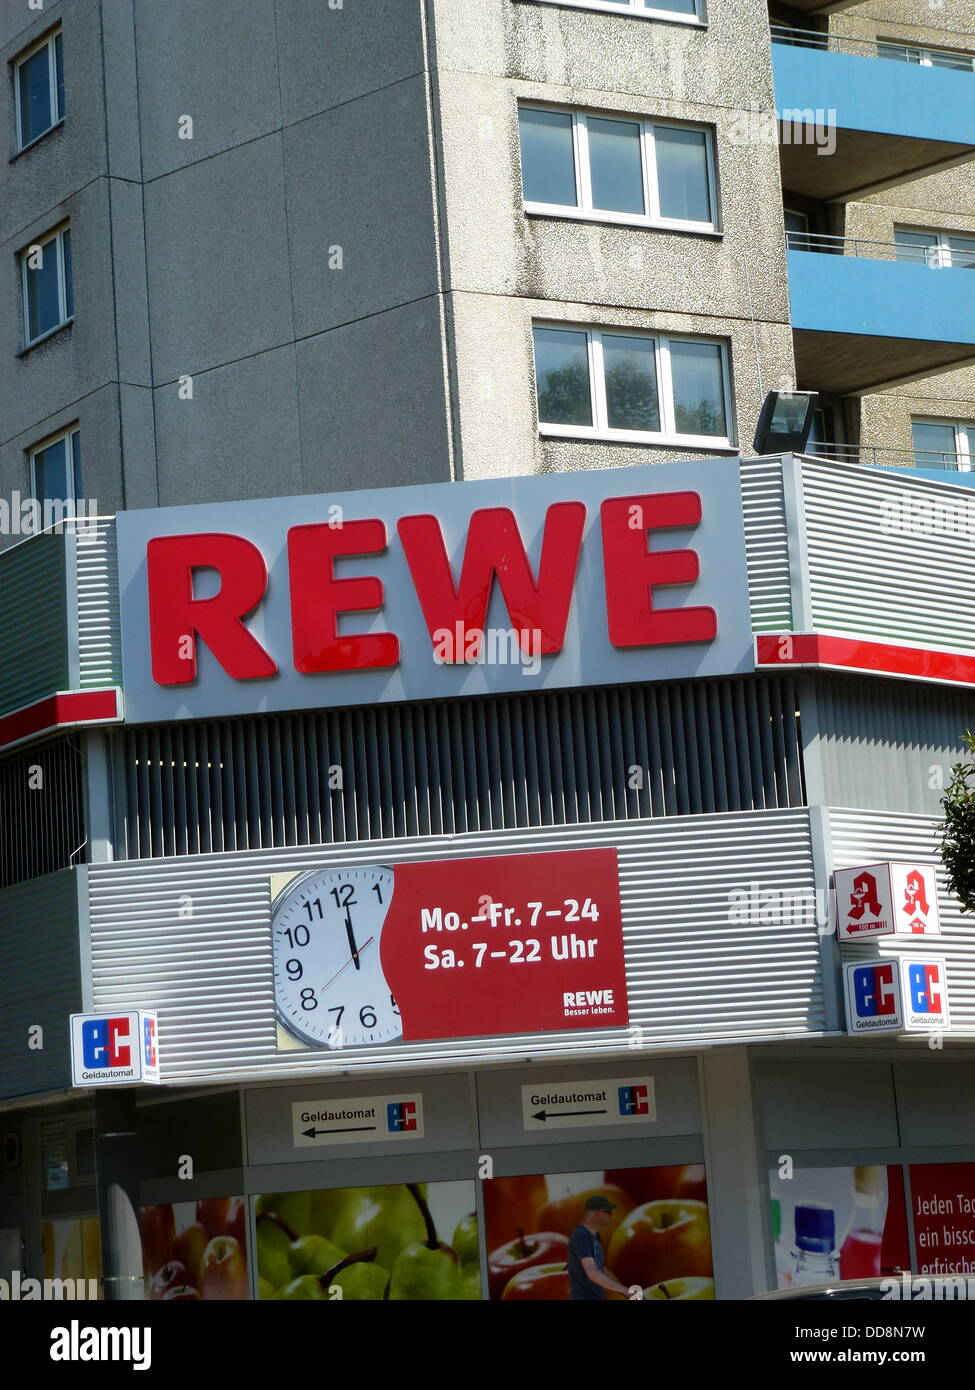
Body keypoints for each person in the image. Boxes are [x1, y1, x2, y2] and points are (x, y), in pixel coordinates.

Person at [567, 1195, 642, 1300]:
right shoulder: (581, 1236)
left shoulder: (594, 1235)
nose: (610, 1215)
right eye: (607, 1212)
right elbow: (592, 1273)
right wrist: (625, 1291)